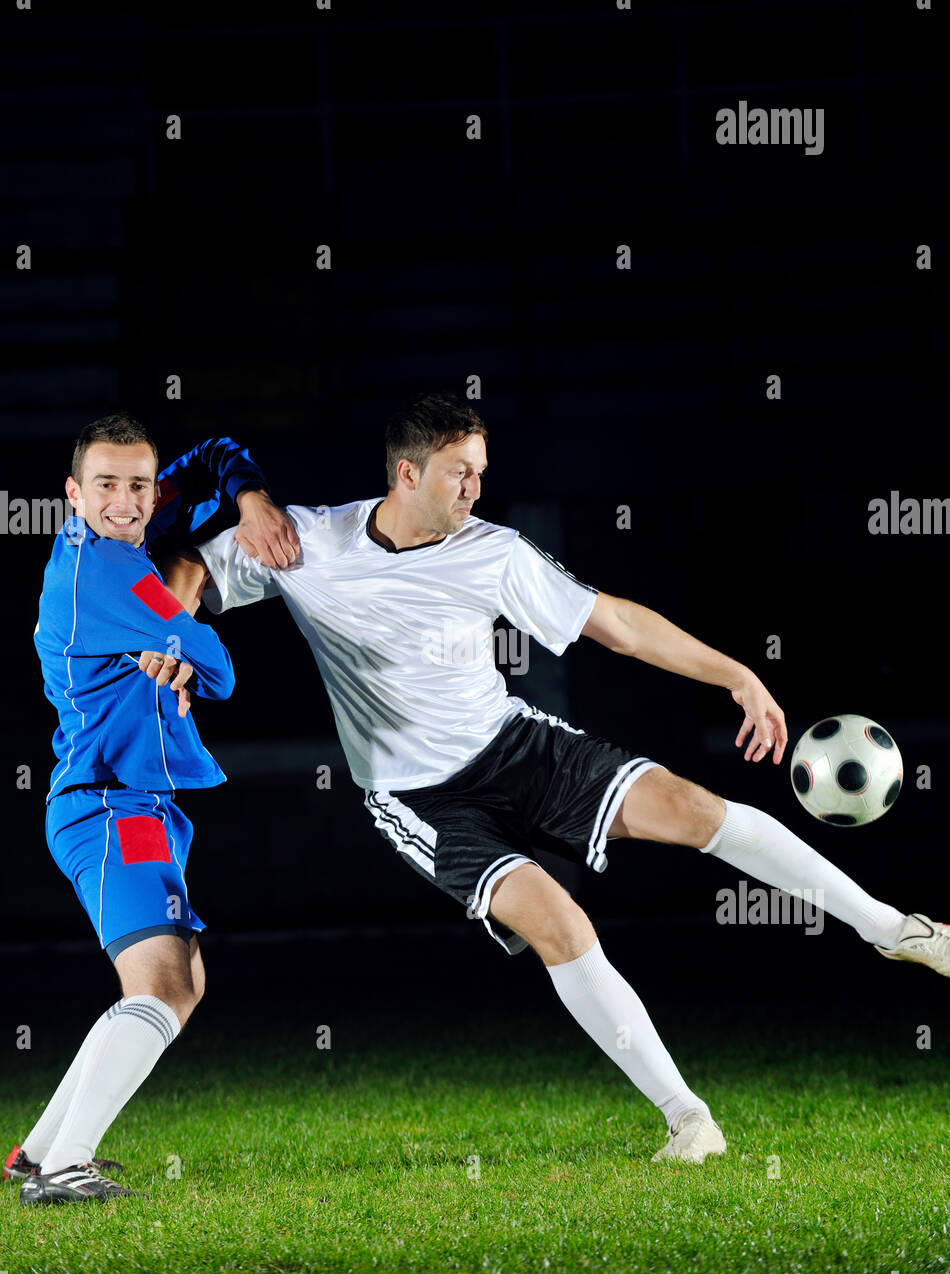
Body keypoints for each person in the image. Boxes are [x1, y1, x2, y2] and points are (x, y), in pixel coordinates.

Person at [157, 393, 949, 1164]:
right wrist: (175, 640)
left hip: (517, 747)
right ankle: (689, 1118)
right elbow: (187, 569)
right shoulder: (308, 544)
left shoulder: (493, 551)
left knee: (693, 806)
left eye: (481, 471)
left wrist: (736, 673)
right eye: (458, 471)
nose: (474, 487)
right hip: (422, 798)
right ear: (405, 474)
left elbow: (619, 625)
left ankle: (892, 929)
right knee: (562, 925)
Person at [6, 413, 298, 1205]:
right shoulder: (107, 572)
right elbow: (222, 669)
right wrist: (179, 603)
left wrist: (247, 497)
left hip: (131, 801)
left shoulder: (129, 524)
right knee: (162, 984)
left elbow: (215, 452)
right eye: (106, 486)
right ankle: (65, 1170)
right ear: (73, 493)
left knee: (181, 980)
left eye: (140, 484)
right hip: (109, 805)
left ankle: (38, 1154)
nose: (128, 501)